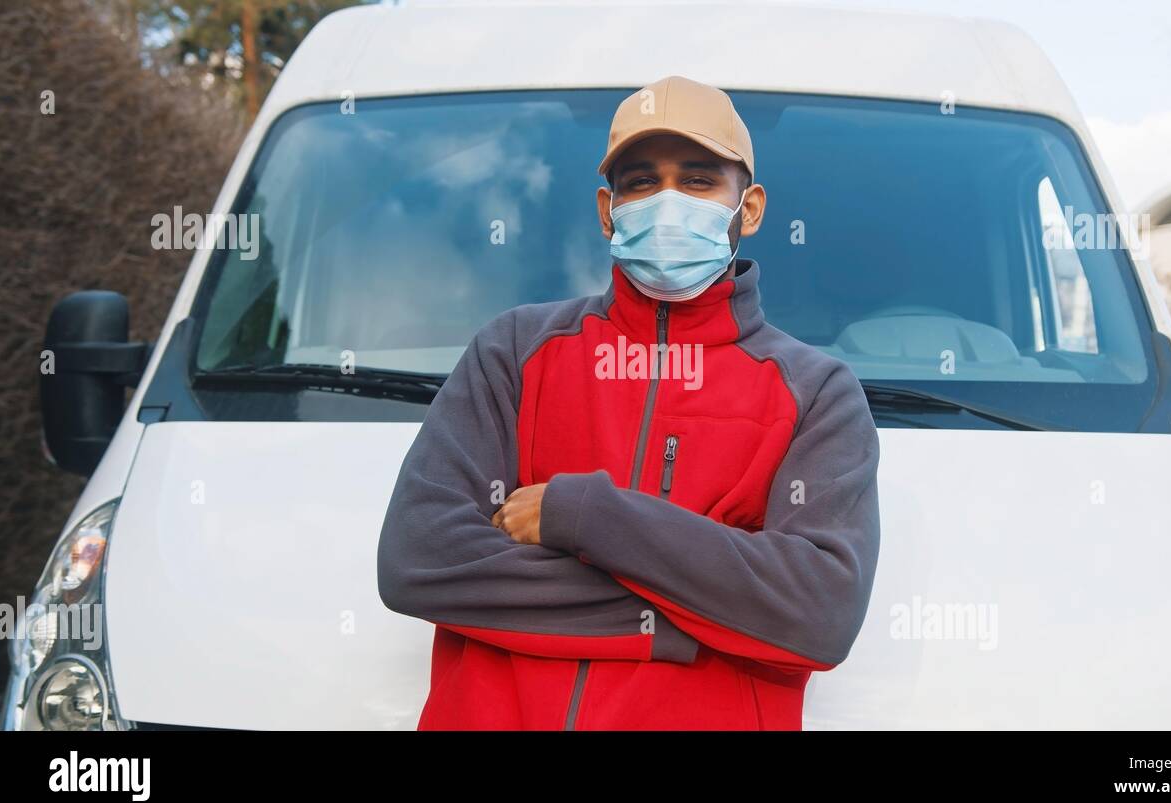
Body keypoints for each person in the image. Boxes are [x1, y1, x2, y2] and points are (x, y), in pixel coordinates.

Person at [376, 75, 881, 730]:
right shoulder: (515, 351)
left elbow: (819, 610)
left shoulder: (816, 392)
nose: (667, 201)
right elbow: (418, 557)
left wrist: (584, 515)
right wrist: (694, 616)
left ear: (749, 208)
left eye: (698, 180)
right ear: (607, 209)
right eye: (641, 181)